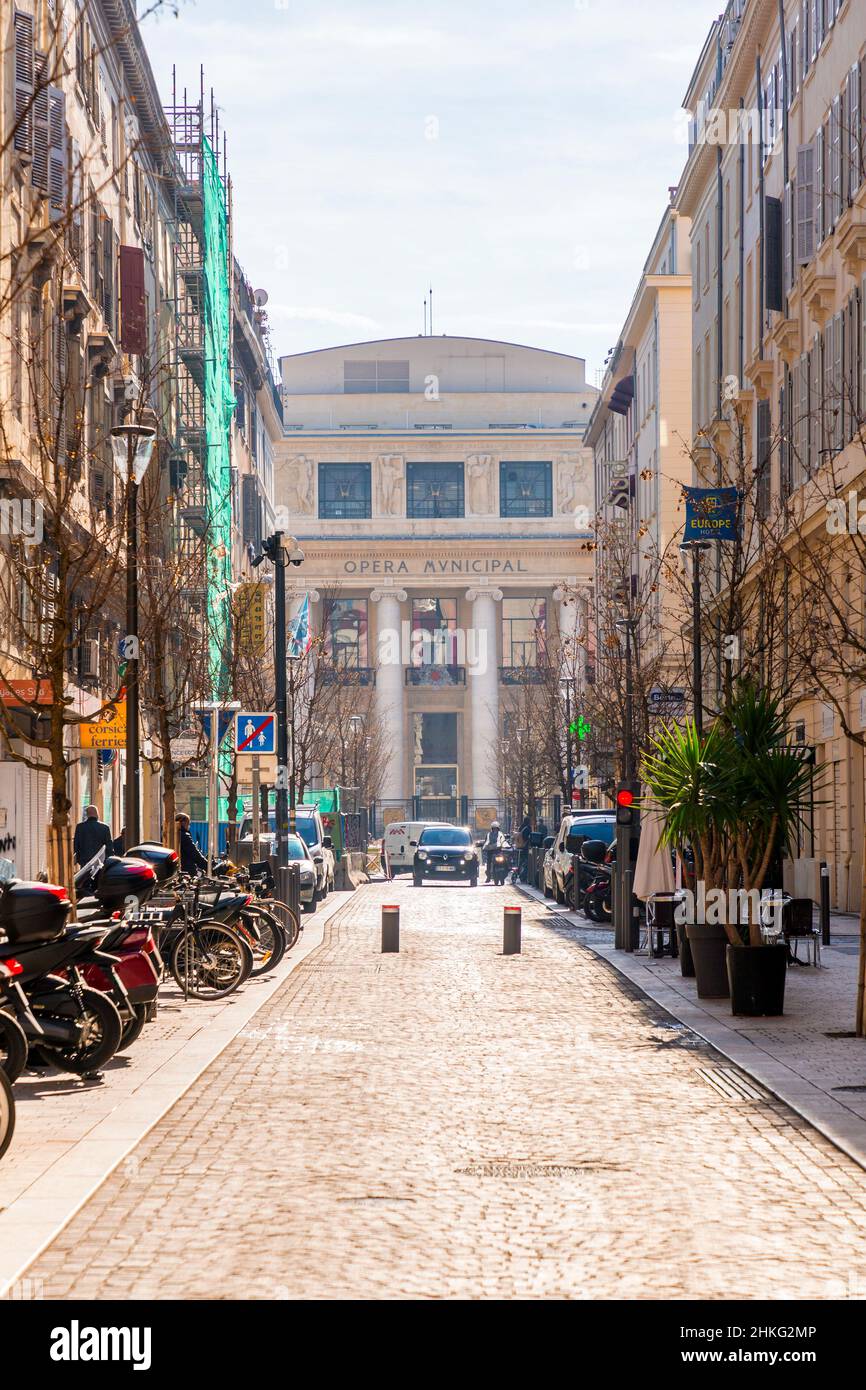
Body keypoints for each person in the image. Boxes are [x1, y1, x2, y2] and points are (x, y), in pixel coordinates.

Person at [517, 812, 533, 882]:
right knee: (527, 862)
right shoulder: (527, 828)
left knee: (522, 861)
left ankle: (519, 872)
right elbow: (528, 838)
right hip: (527, 848)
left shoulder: (521, 827)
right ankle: (523, 875)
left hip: (521, 847)